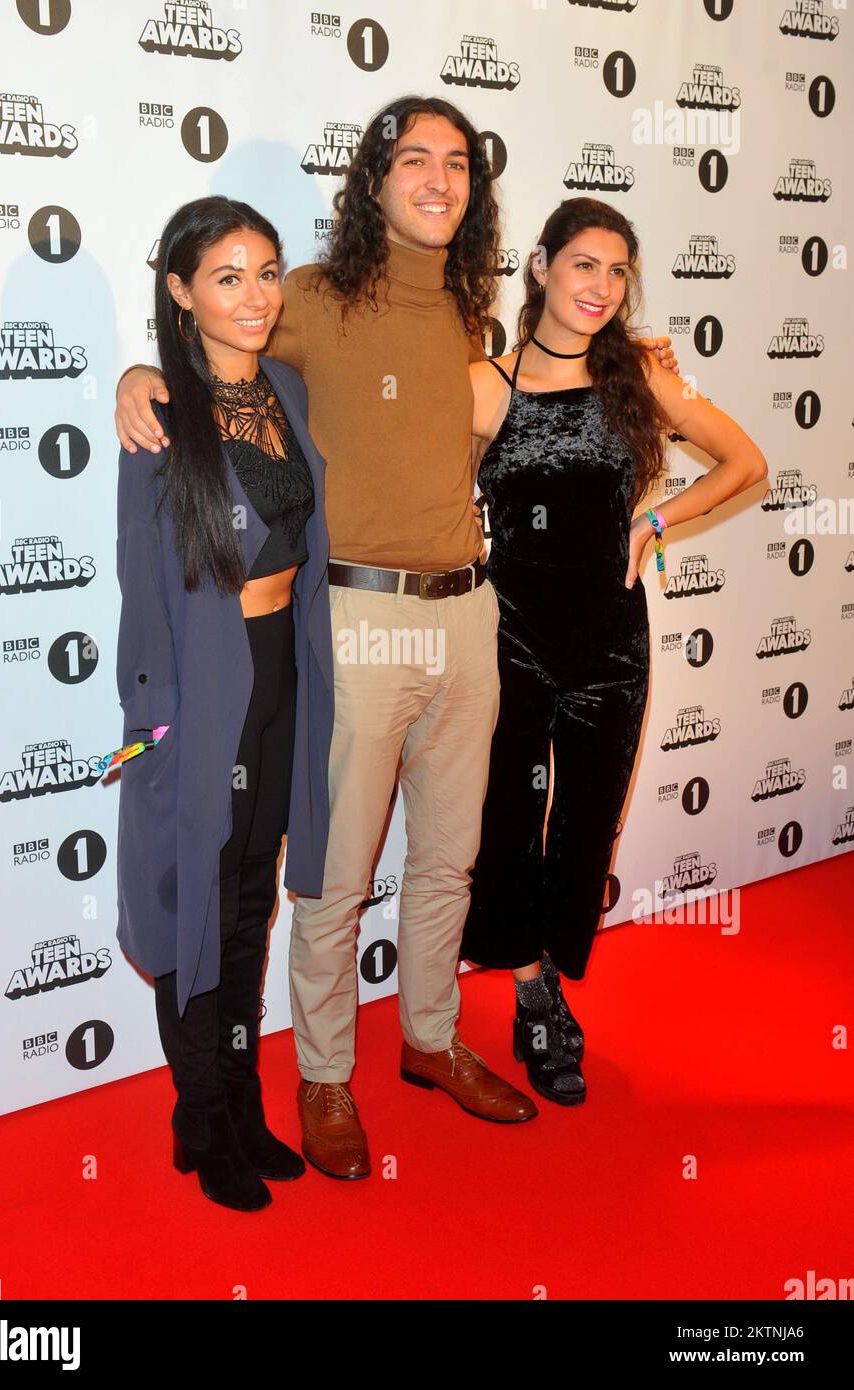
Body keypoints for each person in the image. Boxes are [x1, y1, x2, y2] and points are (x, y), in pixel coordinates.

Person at [115, 97, 679, 1180]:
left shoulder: (469, 312)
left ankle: (430, 1040)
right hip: (356, 617)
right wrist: (138, 377)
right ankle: (324, 1075)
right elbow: (211, 350)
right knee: (331, 869)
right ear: (370, 182)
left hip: (473, 609)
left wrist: (630, 363)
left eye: (456, 162)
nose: (436, 177)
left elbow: (540, 384)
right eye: (411, 158)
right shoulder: (312, 298)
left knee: (450, 858)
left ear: (475, 188)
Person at [461, 196, 768, 1105]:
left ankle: (551, 966)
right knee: (508, 824)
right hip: (510, 639)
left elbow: (746, 462)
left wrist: (655, 519)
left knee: (587, 823)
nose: (599, 285)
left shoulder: (639, 377)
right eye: (583, 264)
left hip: (610, 643)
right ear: (541, 267)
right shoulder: (486, 383)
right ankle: (529, 996)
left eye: (617, 270)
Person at [114, 195, 333, 1211]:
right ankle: (198, 1116)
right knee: (194, 896)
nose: (255, 296)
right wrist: (153, 735)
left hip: (283, 666)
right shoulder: (158, 409)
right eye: (228, 276)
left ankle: (241, 1098)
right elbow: (140, 589)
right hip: (205, 679)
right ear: (180, 293)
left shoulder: (285, 384)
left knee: (251, 892)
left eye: (266, 272)